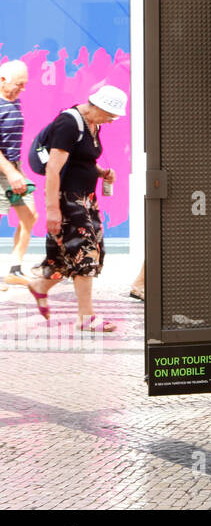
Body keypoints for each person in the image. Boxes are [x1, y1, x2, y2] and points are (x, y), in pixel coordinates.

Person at [26, 84, 127, 332]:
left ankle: (40, 287)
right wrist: (52, 210)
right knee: (87, 253)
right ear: (98, 106)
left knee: (65, 256)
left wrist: (101, 172)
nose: (112, 121)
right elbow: (53, 170)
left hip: (86, 199)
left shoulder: (94, 124)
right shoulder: (69, 123)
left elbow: (83, 160)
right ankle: (86, 317)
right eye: (111, 115)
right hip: (68, 200)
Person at [0, 60, 36, 284]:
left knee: (29, 217)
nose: (23, 89)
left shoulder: (15, 102)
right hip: (5, 171)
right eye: (19, 84)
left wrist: (16, 171)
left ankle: (14, 269)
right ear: (3, 80)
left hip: (15, 168)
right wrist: (11, 174)